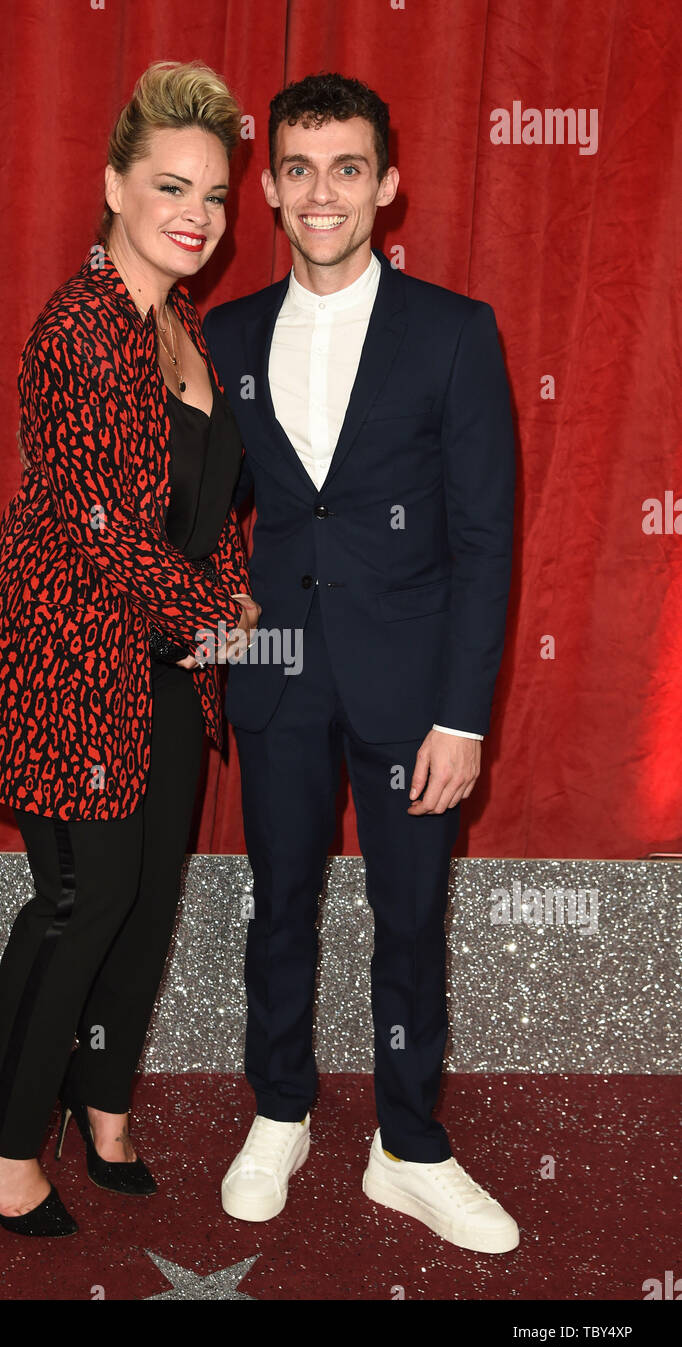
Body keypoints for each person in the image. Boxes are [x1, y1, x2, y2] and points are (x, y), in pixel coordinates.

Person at [204, 72, 519, 1253]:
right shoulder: (224, 335)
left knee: (408, 915)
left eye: (345, 167)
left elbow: (486, 540)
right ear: (270, 188)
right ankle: (278, 1106)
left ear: (384, 186)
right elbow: (199, 511)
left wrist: (462, 716)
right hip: (277, 672)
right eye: (296, 168)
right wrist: (206, 608)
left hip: (411, 690)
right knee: (277, 904)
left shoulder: (452, 329)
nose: (319, 190)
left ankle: (408, 1141)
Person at [0, 59, 258, 1236]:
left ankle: (101, 1098)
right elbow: (99, 531)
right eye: (170, 186)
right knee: (86, 897)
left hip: (164, 672)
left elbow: (214, 506)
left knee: (146, 900)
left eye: (216, 195)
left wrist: (221, 599)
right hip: (70, 664)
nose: (196, 213)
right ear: (114, 189)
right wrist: (212, 613)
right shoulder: (81, 328)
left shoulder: (181, 328)